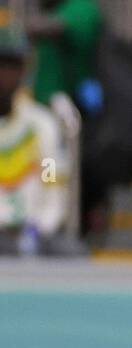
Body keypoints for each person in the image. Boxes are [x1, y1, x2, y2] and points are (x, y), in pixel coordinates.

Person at [0, 28, 71, 255]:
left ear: (23, 70)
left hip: (31, 237)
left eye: (12, 65)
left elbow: (52, 184)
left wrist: (37, 229)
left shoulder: (42, 126)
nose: (4, 74)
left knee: (72, 253)